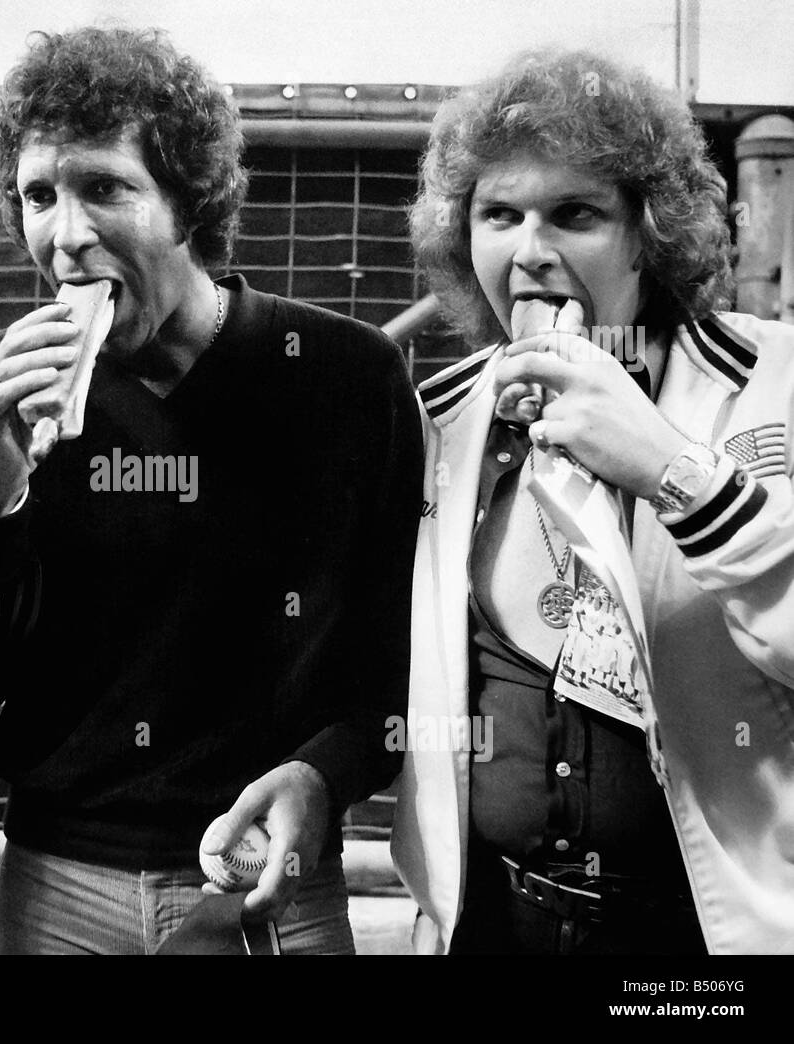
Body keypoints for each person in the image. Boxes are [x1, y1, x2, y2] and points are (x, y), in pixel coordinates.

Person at [0, 26, 423, 955]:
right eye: (38, 197)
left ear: (189, 198)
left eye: (105, 188)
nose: (66, 236)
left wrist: (319, 780)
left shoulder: (348, 377)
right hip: (53, 884)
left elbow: (388, 671)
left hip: (272, 881)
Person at [393, 48, 794, 954]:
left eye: (574, 214)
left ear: (648, 234)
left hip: (705, 941)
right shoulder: (439, 423)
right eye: (499, 215)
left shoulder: (777, 383)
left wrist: (672, 471)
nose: (531, 252)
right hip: (493, 925)